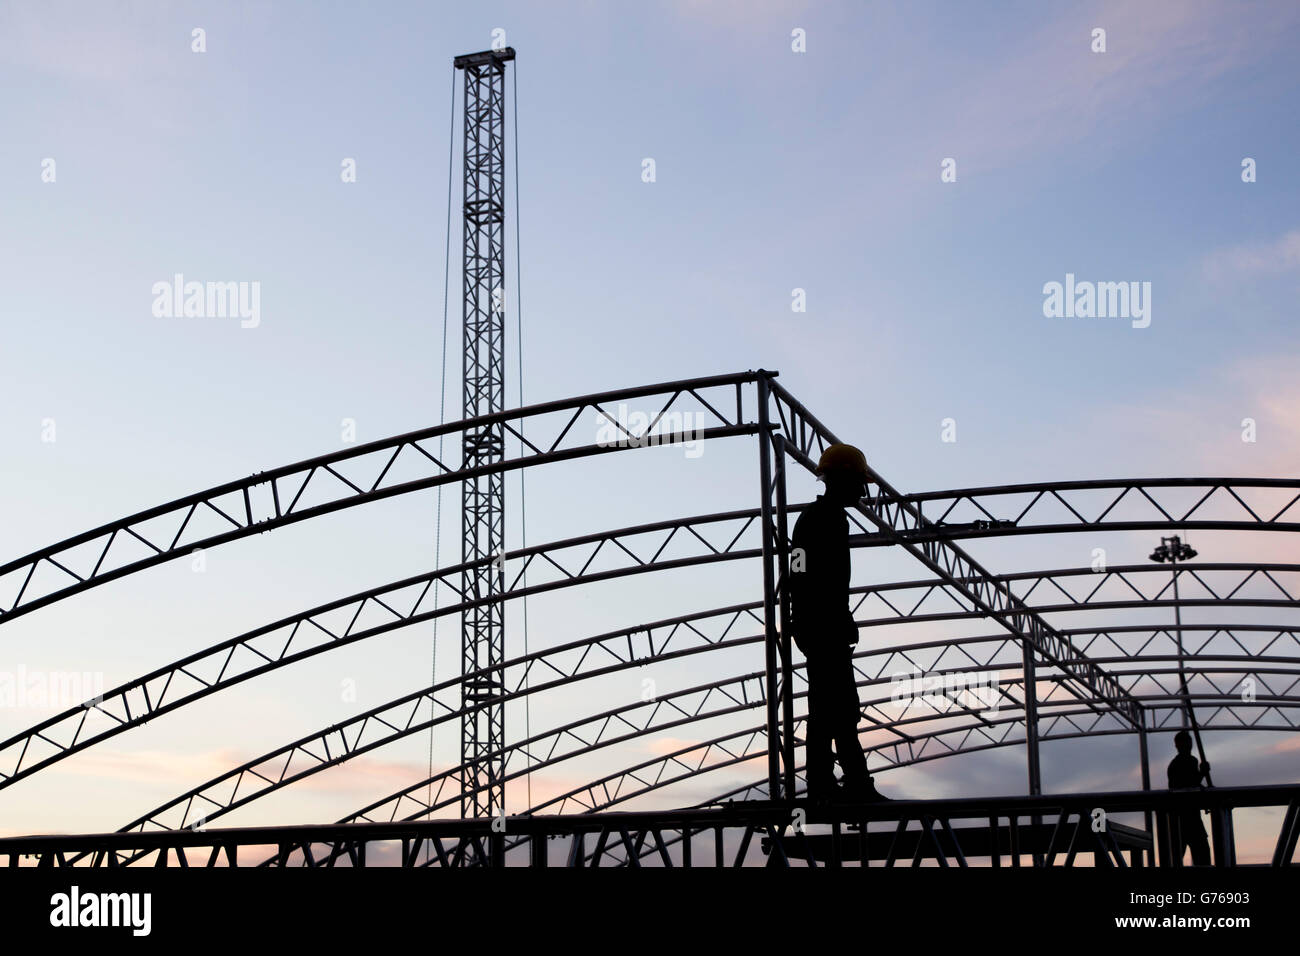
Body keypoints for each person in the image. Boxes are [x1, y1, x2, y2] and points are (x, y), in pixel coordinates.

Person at [789, 443, 888, 804]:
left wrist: (805, 614)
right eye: (858, 482)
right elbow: (799, 566)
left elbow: (798, 565)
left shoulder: (823, 517)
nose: (862, 490)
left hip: (822, 624)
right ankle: (844, 786)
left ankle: (830, 785)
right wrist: (811, 613)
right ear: (843, 479)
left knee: (832, 707)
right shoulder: (822, 518)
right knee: (838, 708)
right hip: (823, 626)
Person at [1166, 729, 1211, 866]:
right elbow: (1188, 785)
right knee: (1201, 855)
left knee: (1195, 854)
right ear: (1178, 745)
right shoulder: (1180, 764)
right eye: (1185, 743)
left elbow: (1191, 784)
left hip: (1185, 817)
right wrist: (1202, 774)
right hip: (1185, 817)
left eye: (1188, 742)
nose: (1188, 745)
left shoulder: (1184, 762)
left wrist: (1201, 775)